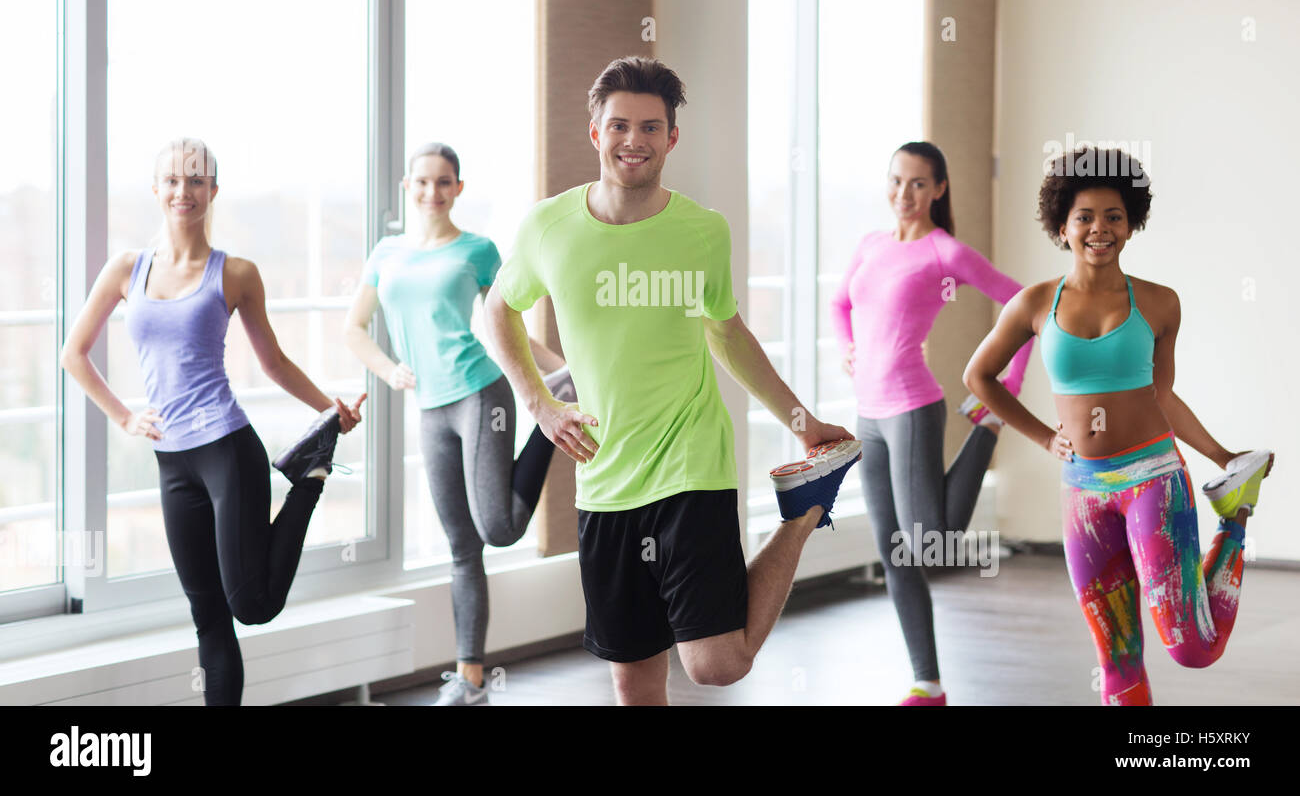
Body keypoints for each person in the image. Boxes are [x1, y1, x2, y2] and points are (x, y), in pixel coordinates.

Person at [483, 56, 858, 706]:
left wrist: (803, 424)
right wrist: (539, 405)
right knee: (633, 678)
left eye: (652, 127)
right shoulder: (549, 227)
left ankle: (803, 513)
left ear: (672, 137)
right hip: (604, 478)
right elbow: (494, 311)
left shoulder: (701, 231)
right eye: (621, 124)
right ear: (595, 131)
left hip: (692, 467)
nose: (635, 140)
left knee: (716, 664)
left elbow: (727, 332)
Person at [963, 145, 1273, 705]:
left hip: (1152, 476)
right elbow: (978, 376)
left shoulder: (1159, 304)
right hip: (1083, 491)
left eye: (1114, 217)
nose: (1099, 229)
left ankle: (1236, 520)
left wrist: (1224, 459)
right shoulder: (1034, 303)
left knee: (1192, 648)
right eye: (1085, 217)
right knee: (1117, 661)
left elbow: (1161, 396)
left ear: (1131, 226)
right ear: (1062, 226)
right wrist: (1042, 436)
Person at [60, 138, 365, 706]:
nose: (184, 190)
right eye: (173, 180)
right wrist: (124, 418)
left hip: (227, 449)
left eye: (196, 180)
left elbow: (272, 362)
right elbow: (73, 353)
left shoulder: (237, 274)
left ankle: (311, 477)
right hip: (171, 462)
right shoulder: (126, 269)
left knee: (252, 606)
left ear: (213, 192)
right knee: (208, 619)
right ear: (156, 190)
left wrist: (329, 409)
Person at [344, 142, 574, 706]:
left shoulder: (477, 250)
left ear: (458, 188)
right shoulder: (387, 253)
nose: (432, 192)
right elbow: (354, 327)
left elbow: (506, 323)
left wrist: (560, 371)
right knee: (461, 548)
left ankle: (559, 403)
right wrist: (389, 368)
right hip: (430, 408)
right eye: (422, 182)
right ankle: (470, 681)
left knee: (499, 528)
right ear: (406, 187)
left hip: (480, 393)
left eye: (444, 182)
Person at [829, 141, 1035, 706]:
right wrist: (848, 347)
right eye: (896, 181)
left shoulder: (945, 253)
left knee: (930, 543)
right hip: (867, 415)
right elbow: (840, 303)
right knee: (894, 553)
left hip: (913, 407)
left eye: (918, 184)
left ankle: (990, 427)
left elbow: (1021, 303)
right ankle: (928, 683)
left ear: (939, 189)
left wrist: (1007, 387)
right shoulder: (872, 245)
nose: (904, 194)